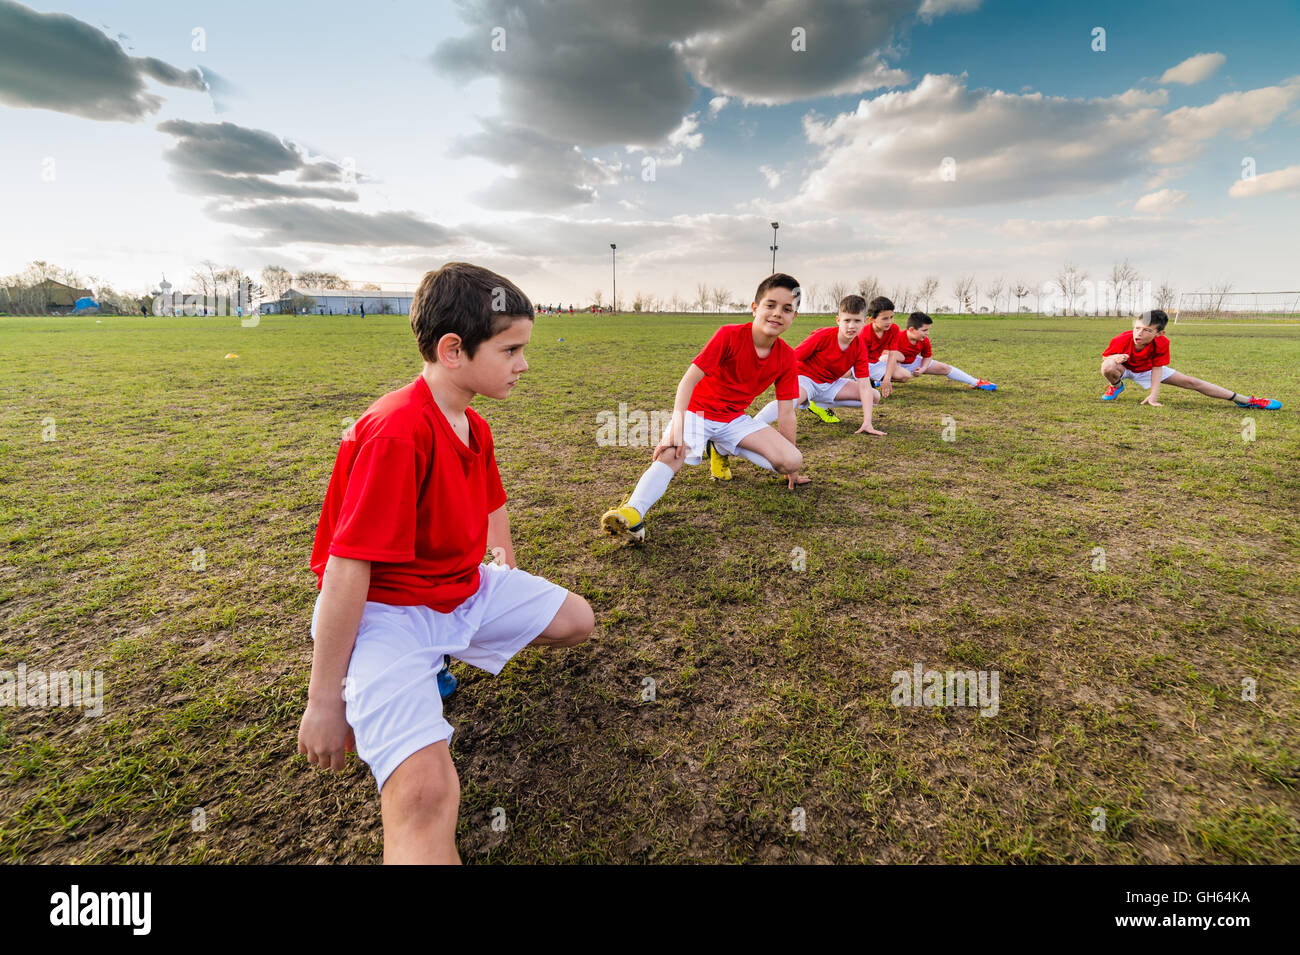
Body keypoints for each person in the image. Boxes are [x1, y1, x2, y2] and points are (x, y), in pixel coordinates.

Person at [299, 262, 595, 864]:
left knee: (577, 621)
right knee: (427, 796)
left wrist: (502, 571)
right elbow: (346, 569)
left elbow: (492, 504)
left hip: (461, 589)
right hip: (387, 617)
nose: (524, 364)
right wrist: (325, 701)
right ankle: (401, 672)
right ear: (453, 350)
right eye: (511, 349)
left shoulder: (473, 424)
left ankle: (437, 658)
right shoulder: (396, 431)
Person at [600, 273, 807, 544]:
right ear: (755, 308)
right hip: (697, 412)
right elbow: (688, 381)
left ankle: (720, 448)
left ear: (794, 316)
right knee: (673, 453)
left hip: (734, 419)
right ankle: (633, 512)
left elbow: (787, 411)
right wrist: (677, 426)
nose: (777, 313)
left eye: (787, 309)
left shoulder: (787, 356)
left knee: (792, 459)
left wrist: (790, 465)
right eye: (771, 305)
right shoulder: (730, 335)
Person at [753, 293, 885, 435]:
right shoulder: (823, 336)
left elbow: (864, 386)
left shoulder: (860, 348)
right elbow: (791, 357)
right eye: (847, 320)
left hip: (830, 384)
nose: (851, 326)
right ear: (838, 320)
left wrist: (867, 422)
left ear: (865, 321)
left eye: (857, 321)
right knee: (790, 402)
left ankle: (820, 404)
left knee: (874, 396)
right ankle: (753, 425)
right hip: (805, 380)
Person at [1101, 309, 1282, 409]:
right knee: (1108, 366)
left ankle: (1247, 400)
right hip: (1125, 369)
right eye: (1138, 328)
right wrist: (1114, 357)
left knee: (1193, 382)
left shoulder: (1162, 343)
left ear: (1159, 333)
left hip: (1148, 370)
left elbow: (1157, 370)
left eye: (1147, 330)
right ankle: (1116, 387)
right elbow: (1105, 362)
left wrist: (1153, 396)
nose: (1139, 333)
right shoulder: (1121, 339)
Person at [893, 312, 997, 390]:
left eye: (929, 330)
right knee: (903, 375)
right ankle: (880, 378)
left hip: (913, 362)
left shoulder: (924, 340)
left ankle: (976, 382)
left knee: (944, 368)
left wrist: (923, 368)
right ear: (911, 329)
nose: (928, 333)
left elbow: (927, 356)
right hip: (893, 365)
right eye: (924, 330)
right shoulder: (896, 337)